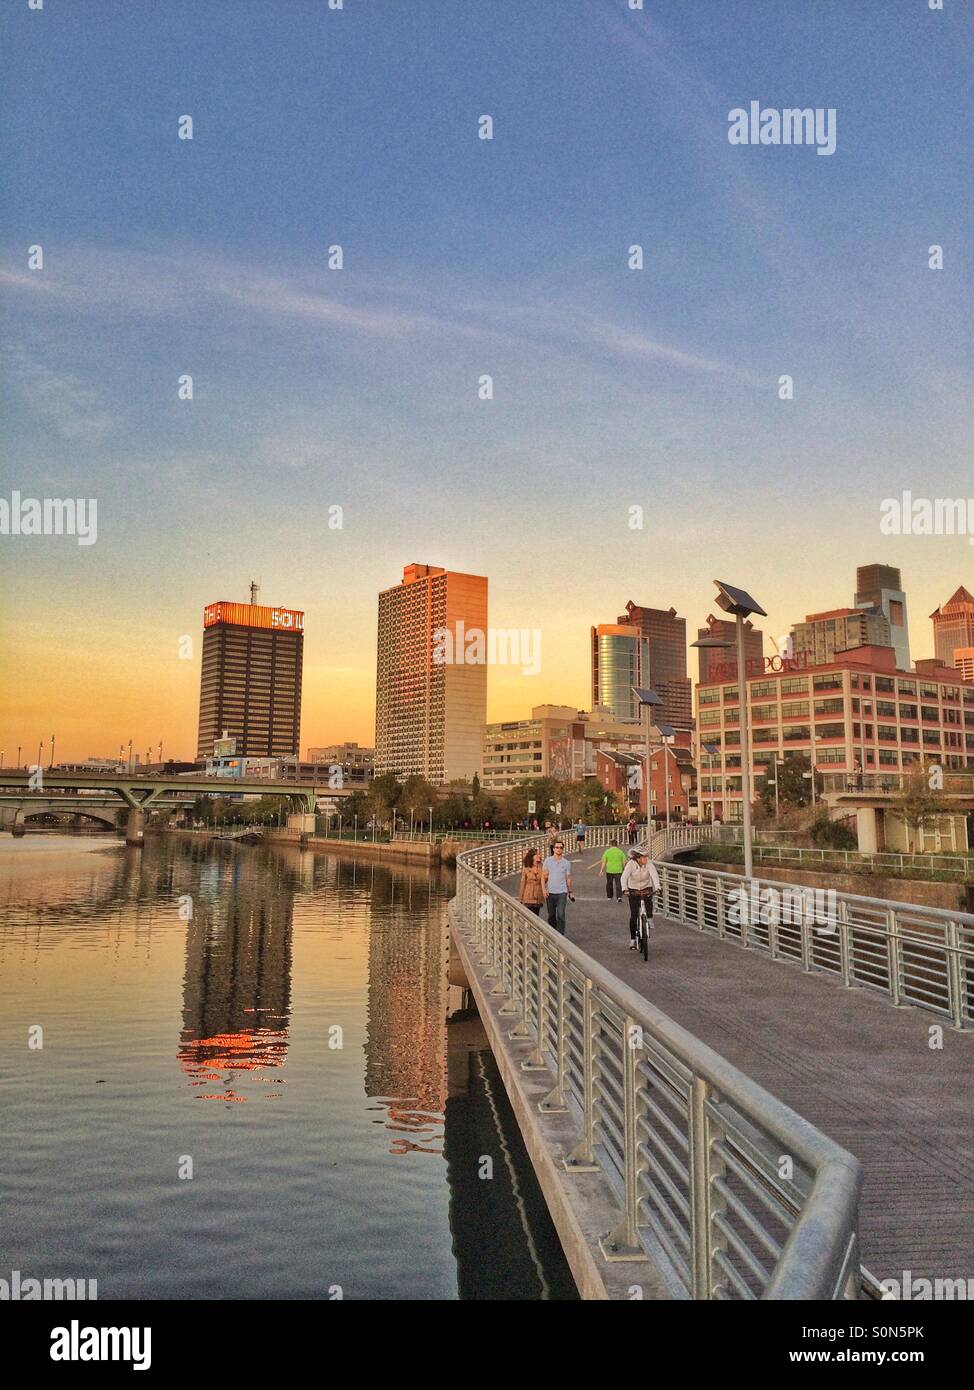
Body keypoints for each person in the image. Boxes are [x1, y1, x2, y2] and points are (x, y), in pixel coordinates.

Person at [620, 848, 661, 950]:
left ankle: (650, 918)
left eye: (647, 856)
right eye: (643, 857)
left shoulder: (649, 864)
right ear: (638, 858)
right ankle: (633, 940)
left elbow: (654, 875)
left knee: (648, 903)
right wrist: (624, 889)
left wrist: (658, 887)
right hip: (633, 889)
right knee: (634, 914)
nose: (646, 858)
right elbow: (624, 877)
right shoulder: (631, 864)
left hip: (646, 887)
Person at [541, 840, 574, 935]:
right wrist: (543, 889)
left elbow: (568, 878)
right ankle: (552, 934)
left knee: (561, 914)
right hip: (550, 892)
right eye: (557, 847)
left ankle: (560, 936)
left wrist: (570, 891)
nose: (559, 849)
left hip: (562, 893)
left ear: (562, 849)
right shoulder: (547, 861)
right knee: (551, 915)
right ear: (553, 849)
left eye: (561, 848)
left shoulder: (566, 863)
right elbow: (543, 877)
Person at [518, 848, 545, 915]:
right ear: (532, 857)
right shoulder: (526, 867)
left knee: (536, 916)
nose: (539, 855)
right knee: (529, 916)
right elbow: (523, 883)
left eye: (540, 854)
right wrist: (520, 898)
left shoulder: (543, 866)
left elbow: (544, 880)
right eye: (537, 854)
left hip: (538, 896)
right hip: (528, 895)